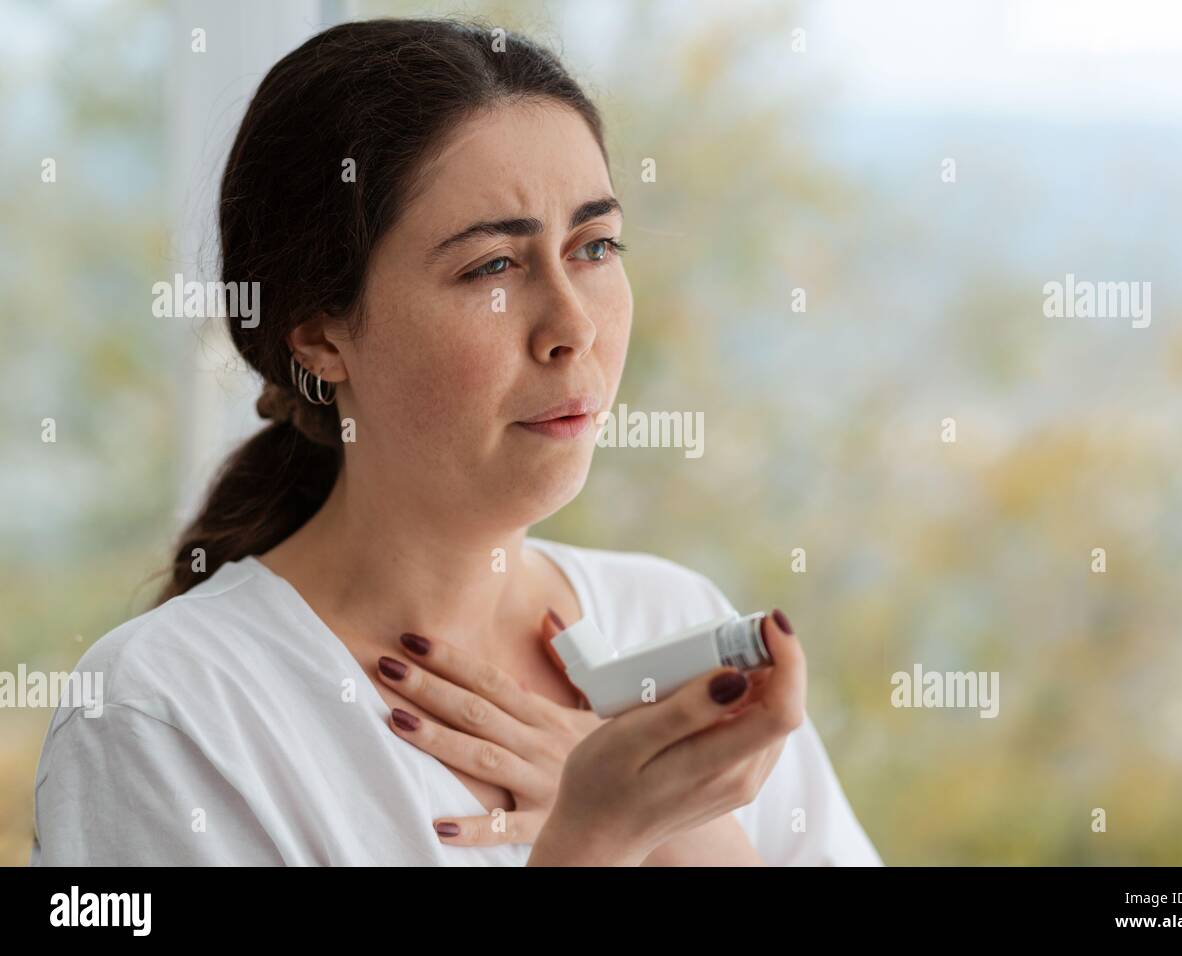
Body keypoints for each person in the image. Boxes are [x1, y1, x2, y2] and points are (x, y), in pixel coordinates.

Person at [29, 17, 882, 867]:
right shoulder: (164, 713)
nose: (572, 327)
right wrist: (600, 839)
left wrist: (690, 828)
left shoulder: (674, 624)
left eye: (595, 246)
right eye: (493, 269)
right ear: (322, 336)